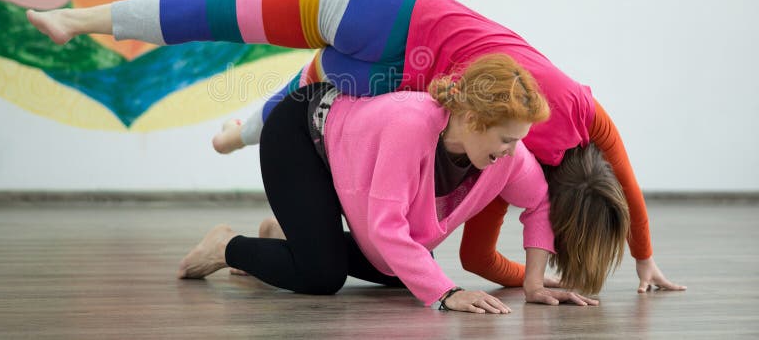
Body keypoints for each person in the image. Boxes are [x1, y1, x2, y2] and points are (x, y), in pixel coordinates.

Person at [26, 0, 684, 293]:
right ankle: (78, 20)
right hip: (378, 9)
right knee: (222, 15)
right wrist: (574, 273)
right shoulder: (536, 129)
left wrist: (628, 260)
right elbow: (483, 254)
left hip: (393, 68)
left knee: (318, 82)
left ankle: (246, 129)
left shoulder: (540, 139)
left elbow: (610, 180)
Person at [175, 54, 600, 311]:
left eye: (518, 141)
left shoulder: (507, 157)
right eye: (507, 139)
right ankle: (225, 245)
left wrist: (533, 281)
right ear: (473, 119)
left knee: (408, 271)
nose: (513, 152)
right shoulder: (410, 127)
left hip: (348, 160)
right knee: (322, 277)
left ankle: (284, 235)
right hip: (302, 133)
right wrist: (446, 294)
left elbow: (539, 203)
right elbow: (385, 228)